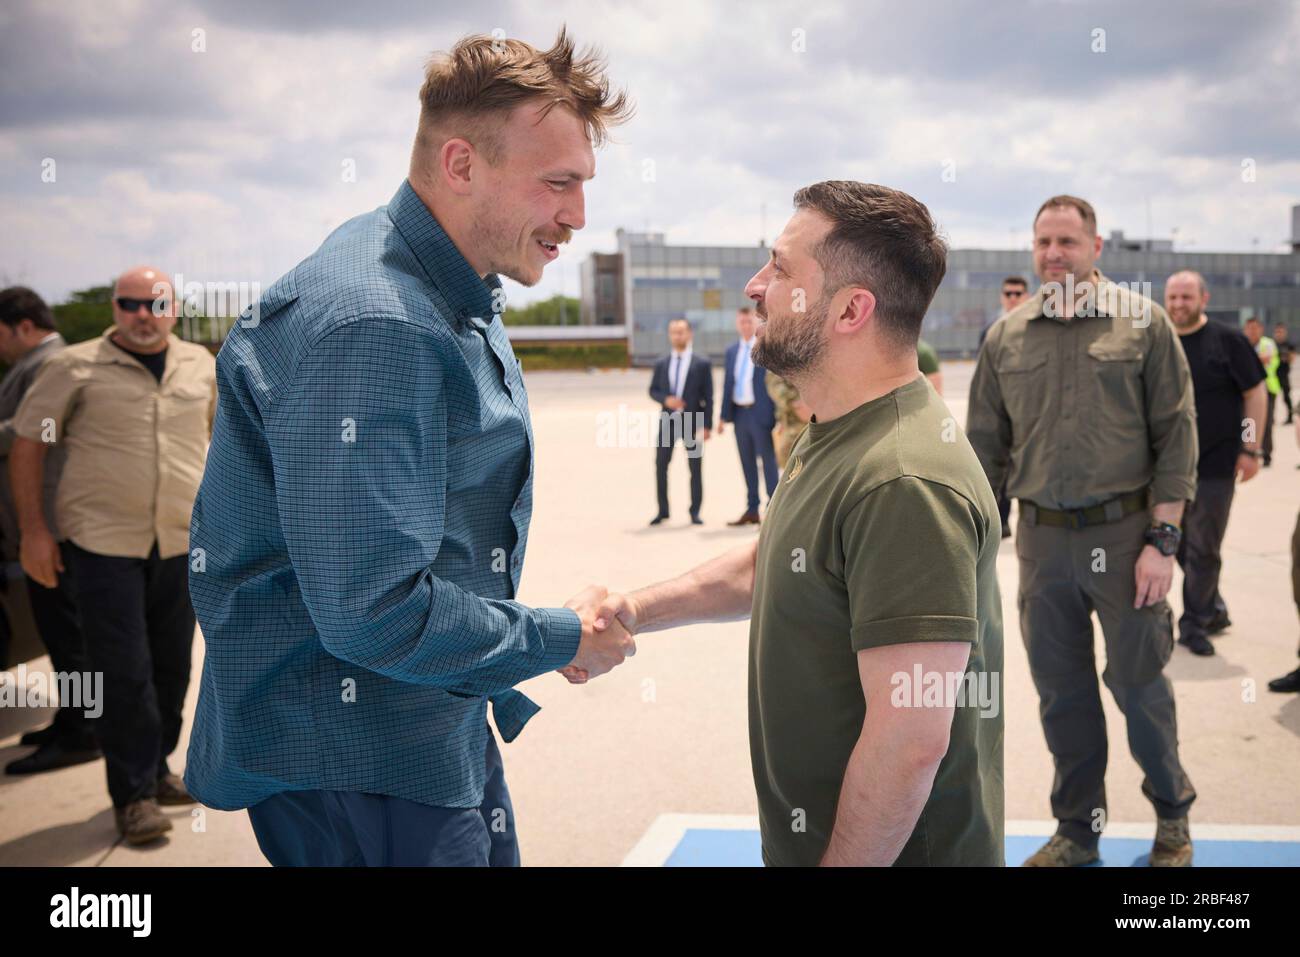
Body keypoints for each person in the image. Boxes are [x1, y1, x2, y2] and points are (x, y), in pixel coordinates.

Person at [182, 29, 636, 868]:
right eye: (558, 183)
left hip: (426, 720)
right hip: (358, 754)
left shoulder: (446, 283)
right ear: (460, 165)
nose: (576, 214)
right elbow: (375, 610)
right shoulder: (376, 324)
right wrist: (558, 637)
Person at [568, 181, 1004, 866]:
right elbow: (768, 560)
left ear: (851, 309)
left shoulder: (902, 479)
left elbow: (909, 744)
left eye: (780, 268)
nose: (754, 286)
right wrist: (633, 608)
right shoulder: (833, 430)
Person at [967, 194, 1198, 867]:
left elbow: (1176, 436)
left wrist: (1163, 542)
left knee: (1138, 684)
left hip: (1127, 538)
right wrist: (978, 539)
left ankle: (1172, 816)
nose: (1053, 254)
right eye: (1043, 242)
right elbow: (985, 449)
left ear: (1096, 248)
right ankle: (1078, 829)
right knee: (1062, 695)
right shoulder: (1007, 337)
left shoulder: (1143, 325)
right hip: (1042, 544)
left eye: (1067, 242)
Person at [10, 266, 216, 844]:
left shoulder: (201, 365)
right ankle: (132, 796)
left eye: (154, 303)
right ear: (114, 308)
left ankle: (156, 769)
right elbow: (30, 447)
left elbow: (218, 442)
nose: (142, 315)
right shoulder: (71, 366)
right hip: (103, 546)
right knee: (123, 674)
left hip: (180, 541)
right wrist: (34, 532)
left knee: (174, 668)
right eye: (130, 304)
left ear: (174, 308)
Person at [0, 287, 98, 775]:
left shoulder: (48, 363)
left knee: (71, 636)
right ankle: (74, 718)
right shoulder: (43, 363)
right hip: (45, 526)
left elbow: (37, 434)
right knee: (62, 638)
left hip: (52, 527)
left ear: (22, 325)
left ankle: (86, 729)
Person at [1165, 271, 1267, 656]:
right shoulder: (1159, 339)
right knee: (1175, 543)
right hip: (1168, 467)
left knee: (1204, 548)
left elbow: (1255, 393)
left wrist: (1250, 446)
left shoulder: (1228, 341)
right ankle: (1215, 607)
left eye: (1186, 297)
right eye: (1173, 297)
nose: (1178, 304)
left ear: (1203, 298)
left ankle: (1194, 624)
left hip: (1215, 465)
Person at [649, 318, 713, 525]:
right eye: (674, 332)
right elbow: (653, 390)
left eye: (682, 332)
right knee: (660, 466)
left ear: (689, 334)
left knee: (695, 467)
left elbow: (709, 397)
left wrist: (706, 425)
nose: (678, 336)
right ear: (670, 335)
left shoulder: (701, 364)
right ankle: (663, 511)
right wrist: (665, 399)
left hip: (693, 422)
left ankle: (695, 512)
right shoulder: (661, 363)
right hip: (668, 422)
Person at [980, 276, 1031, 538]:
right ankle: (998, 518)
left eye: (1017, 293)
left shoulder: (1036, 328)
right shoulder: (991, 331)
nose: (1012, 298)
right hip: (1000, 407)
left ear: (1026, 295)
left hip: (1027, 409)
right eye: (1008, 293)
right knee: (997, 460)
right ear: (1002, 296)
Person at [718, 306, 778, 525]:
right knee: (747, 463)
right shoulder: (732, 351)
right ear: (737, 324)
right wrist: (723, 416)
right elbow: (728, 384)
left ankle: (773, 510)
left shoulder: (766, 348)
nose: (745, 325)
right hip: (740, 415)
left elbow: (777, 383)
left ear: (756, 323)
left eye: (748, 322)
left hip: (760, 414)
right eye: (741, 322)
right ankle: (752, 509)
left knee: (768, 462)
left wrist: (778, 417)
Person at [1244, 317, 1279, 467]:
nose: (1252, 331)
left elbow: (1267, 359)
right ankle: (1248, 451)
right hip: (1247, 389)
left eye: (1255, 328)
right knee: (1248, 422)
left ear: (1261, 329)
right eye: (1249, 328)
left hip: (1268, 389)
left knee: (1266, 422)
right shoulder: (1241, 343)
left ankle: (1266, 453)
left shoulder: (1268, 343)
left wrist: (1249, 359)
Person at [765, 370, 810, 470]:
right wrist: (797, 404)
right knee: (793, 473)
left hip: (827, 424)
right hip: (794, 427)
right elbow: (774, 383)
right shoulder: (779, 355)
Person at [1275, 323, 1294, 424]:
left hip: (1284, 375)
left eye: (1281, 332)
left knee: (1286, 397)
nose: (1279, 334)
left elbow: (1292, 358)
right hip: (1273, 376)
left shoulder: (1288, 345)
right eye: (1278, 332)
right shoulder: (1273, 344)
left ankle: (1290, 416)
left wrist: (1287, 357)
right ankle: (1271, 419)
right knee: (1271, 398)